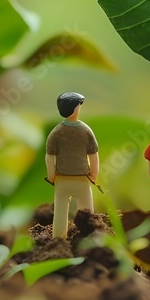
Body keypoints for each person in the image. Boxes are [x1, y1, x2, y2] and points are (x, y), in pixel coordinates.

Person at [45, 92, 100, 238]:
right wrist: (94, 174)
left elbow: (49, 157)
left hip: (62, 179)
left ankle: (58, 238)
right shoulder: (85, 131)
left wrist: (51, 175)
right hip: (82, 178)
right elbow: (93, 156)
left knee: (60, 210)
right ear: (75, 109)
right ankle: (88, 236)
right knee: (87, 210)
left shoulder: (56, 133)